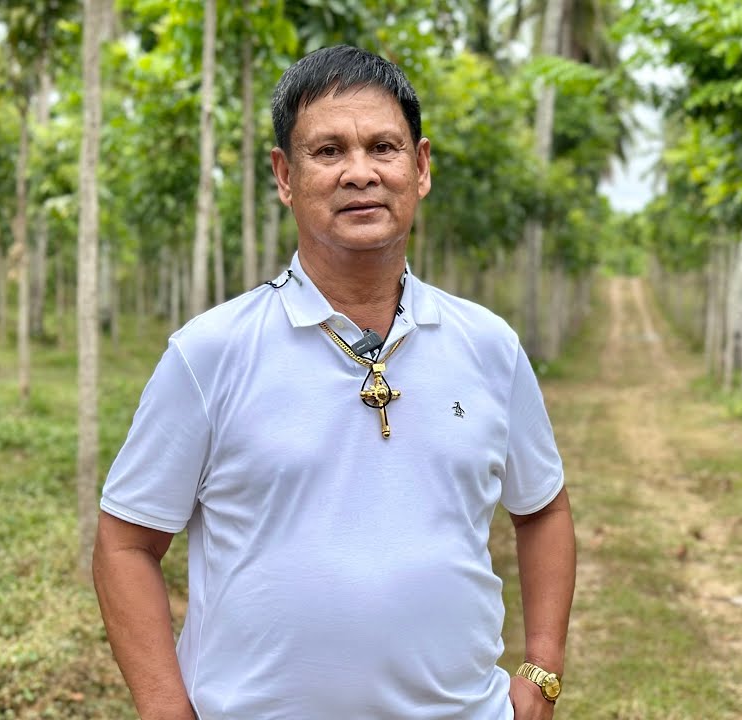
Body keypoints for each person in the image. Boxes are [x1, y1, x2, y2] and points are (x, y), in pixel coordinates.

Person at [92, 45, 576, 719]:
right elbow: (125, 543)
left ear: (422, 167)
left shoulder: (489, 346)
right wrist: (167, 710)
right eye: (328, 151)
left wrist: (541, 672)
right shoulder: (209, 354)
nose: (360, 173)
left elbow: (543, 509)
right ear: (285, 176)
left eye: (384, 147)